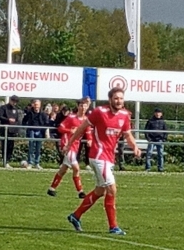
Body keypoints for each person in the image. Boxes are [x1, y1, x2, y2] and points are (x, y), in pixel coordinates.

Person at [65, 88, 141, 235]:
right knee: (112, 189)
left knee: (100, 190)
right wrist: (69, 144)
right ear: (110, 99)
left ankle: (76, 215)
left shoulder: (125, 115)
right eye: (116, 98)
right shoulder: (100, 112)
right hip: (98, 156)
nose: (119, 101)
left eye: (121, 98)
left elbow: (128, 135)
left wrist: (135, 147)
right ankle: (113, 227)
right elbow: (81, 128)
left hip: (108, 158)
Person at [49, 100, 88, 197]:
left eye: (85, 106)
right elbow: (60, 128)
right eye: (81, 106)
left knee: (63, 169)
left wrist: (90, 140)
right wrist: (69, 130)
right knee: (76, 168)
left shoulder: (86, 119)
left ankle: (52, 188)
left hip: (75, 146)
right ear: (78, 107)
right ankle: (80, 192)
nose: (83, 108)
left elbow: (88, 131)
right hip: (67, 144)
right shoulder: (71, 117)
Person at [0, 95, 25, 166]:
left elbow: (18, 119)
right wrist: (8, 120)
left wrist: (17, 127)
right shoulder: (3, 107)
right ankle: (4, 161)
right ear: (10, 100)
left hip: (13, 130)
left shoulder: (16, 109)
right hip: (5, 130)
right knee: (4, 145)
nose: (14, 103)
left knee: (11, 146)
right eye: (13, 101)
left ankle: (8, 160)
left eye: (16, 102)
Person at [23, 99, 50, 169]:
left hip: (40, 132)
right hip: (31, 131)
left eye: (37, 105)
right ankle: (30, 163)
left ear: (40, 105)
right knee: (31, 147)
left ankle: (37, 163)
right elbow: (24, 120)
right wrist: (26, 128)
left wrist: (44, 129)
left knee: (38, 148)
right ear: (33, 105)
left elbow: (47, 123)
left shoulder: (43, 114)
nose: (36, 106)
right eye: (35, 105)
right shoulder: (29, 113)